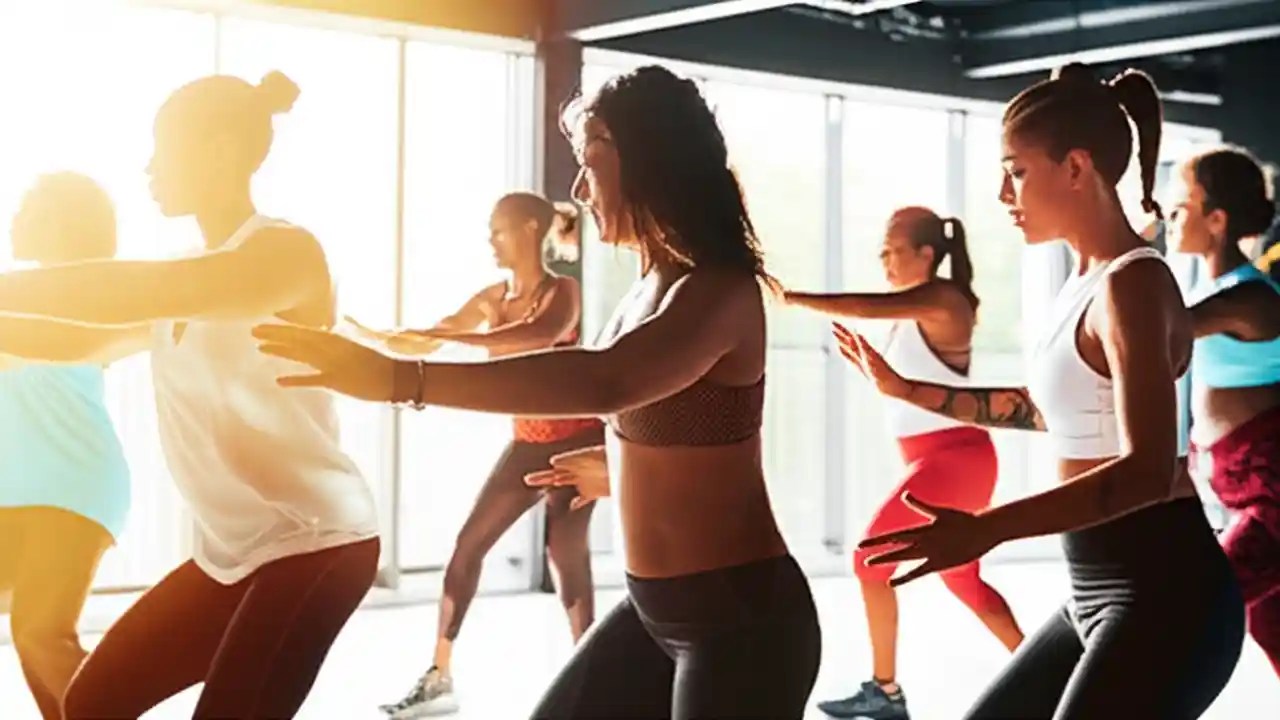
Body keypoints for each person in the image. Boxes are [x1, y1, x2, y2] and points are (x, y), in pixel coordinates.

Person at [254, 64, 822, 719]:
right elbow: (680, 422)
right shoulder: (644, 291)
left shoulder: (720, 289)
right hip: (653, 610)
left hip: (741, 622)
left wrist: (397, 379)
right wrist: (621, 469)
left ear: (653, 158)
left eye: (593, 162)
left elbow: (607, 378)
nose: (580, 189)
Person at [840, 63, 1243, 718]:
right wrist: (909, 389)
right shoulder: (1083, 282)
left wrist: (986, 530)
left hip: (1167, 593)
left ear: (1076, 168)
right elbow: (1044, 409)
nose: (1003, 192)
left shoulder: (1132, 284)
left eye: (1017, 170)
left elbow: (1143, 472)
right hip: (1094, 589)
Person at [0, 71, 379, 719]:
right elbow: (74, 342)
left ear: (221, 150)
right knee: (93, 701)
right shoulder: (190, 277)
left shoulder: (282, 252)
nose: (148, 168)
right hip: (229, 555)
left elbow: (154, 289)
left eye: (161, 148)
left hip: (318, 543)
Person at [369, 193, 604, 719]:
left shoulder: (561, 291)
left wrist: (452, 339)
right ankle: (438, 676)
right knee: (468, 545)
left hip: (575, 444)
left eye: (497, 231)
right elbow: (448, 329)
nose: (490, 241)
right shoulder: (493, 297)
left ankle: (593, 682)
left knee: (566, 559)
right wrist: (392, 342)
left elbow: (539, 335)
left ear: (526, 230)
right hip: (528, 443)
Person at [785, 207, 1023, 719]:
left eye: (894, 251)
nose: (885, 260)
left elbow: (867, 305)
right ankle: (1046, 673)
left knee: (869, 558)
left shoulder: (946, 300)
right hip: (944, 460)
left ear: (926, 255)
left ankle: (886, 693)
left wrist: (790, 297)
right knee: (963, 578)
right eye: (882, 252)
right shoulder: (914, 316)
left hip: (956, 457)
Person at [0, 173, 131, 720]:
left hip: (71, 484)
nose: (15, 220)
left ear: (64, 225)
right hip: (15, 490)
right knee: (36, 641)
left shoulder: (84, 298)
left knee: (40, 633)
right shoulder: (22, 289)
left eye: (30, 209)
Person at [1167, 145, 1280, 678]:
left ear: (1217, 220)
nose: (1168, 219)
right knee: (1269, 626)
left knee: (1197, 611)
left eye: (1179, 207)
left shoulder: (1250, 298)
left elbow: (1164, 326)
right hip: (1239, 497)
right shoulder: (1215, 290)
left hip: (1271, 502)